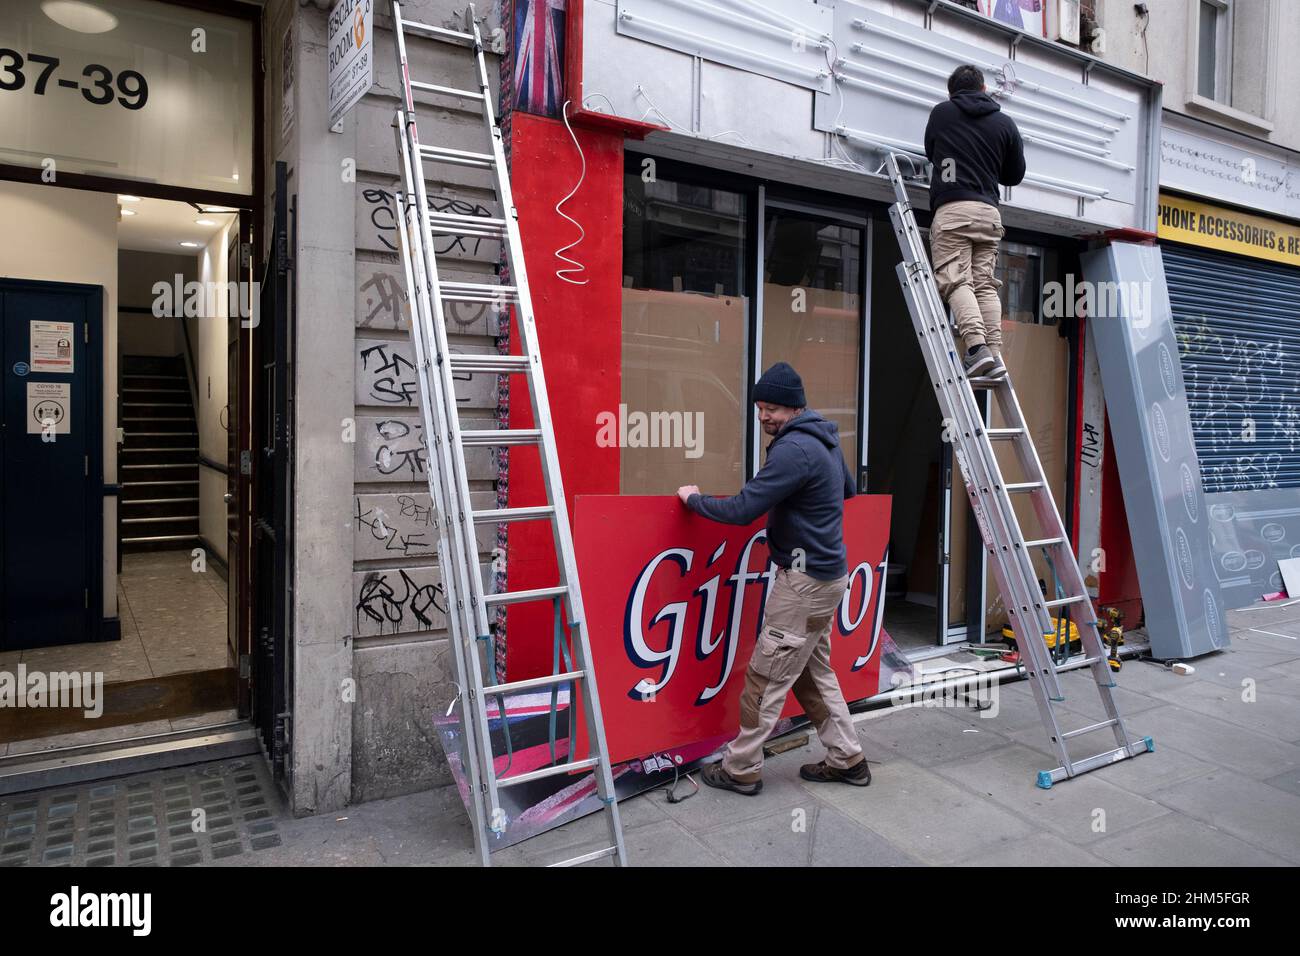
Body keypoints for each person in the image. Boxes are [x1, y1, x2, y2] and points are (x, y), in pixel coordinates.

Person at [675, 362, 871, 795]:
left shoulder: (792, 449)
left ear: (794, 406)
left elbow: (743, 509)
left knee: (765, 679)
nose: (765, 416)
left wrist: (693, 500)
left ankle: (741, 769)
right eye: (761, 407)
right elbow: (849, 490)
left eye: (774, 408)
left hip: (802, 585)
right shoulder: (824, 438)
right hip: (828, 579)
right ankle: (848, 759)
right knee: (813, 675)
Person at [924, 63, 1026, 379]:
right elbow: (1015, 174)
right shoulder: (1004, 123)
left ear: (952, 92)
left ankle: (975, 347)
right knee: (984, 284)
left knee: (955, 279)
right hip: (988, 215)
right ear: (983, 89)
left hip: (954, 210)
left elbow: (933, 153)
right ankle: (994, 353)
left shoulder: (942, 113)